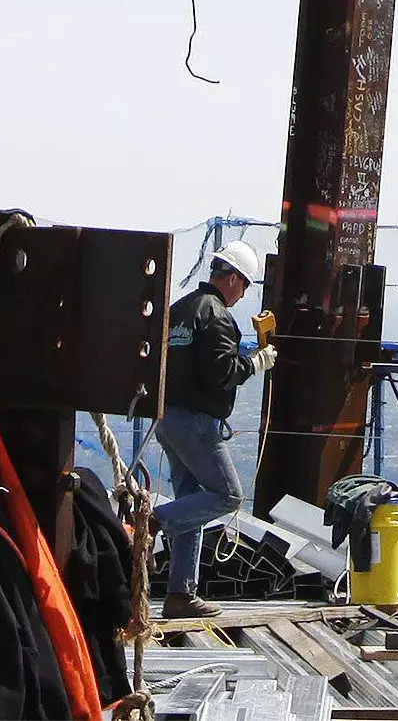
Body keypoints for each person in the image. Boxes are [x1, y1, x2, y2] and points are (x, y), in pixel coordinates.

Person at [154, 239, 271, 618]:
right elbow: (221, 373)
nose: (243, 295)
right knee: (227, 496)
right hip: (197, 422)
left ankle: (180, 595)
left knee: (192, 499)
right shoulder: (217, 315)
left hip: (166, 417)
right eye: (245, 286)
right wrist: (256, 362)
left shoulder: (182, 309)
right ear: (234, 279)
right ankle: (151, 523)